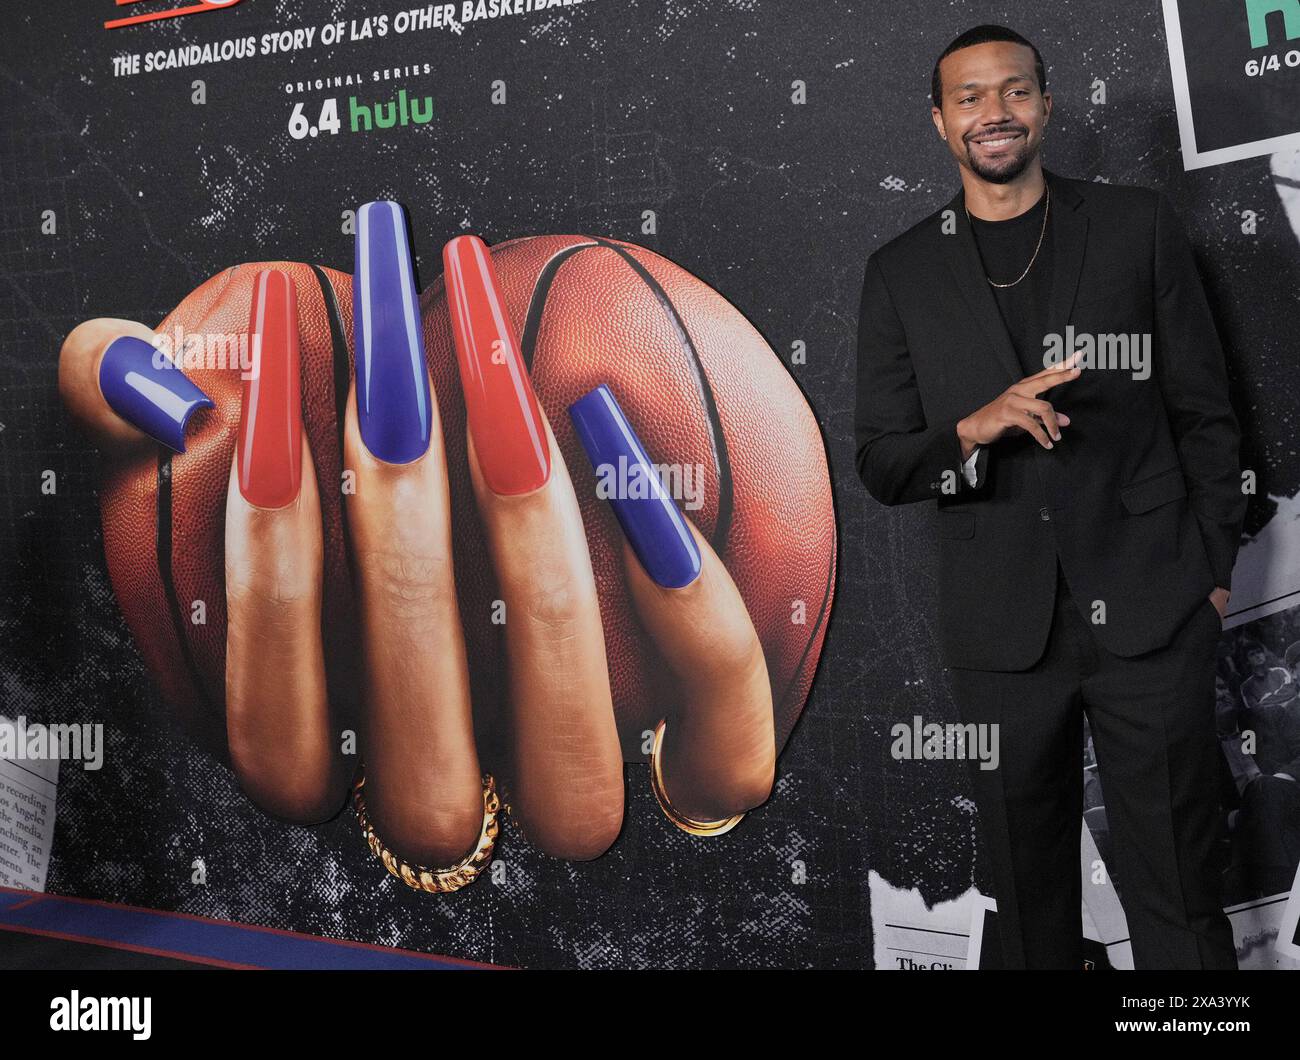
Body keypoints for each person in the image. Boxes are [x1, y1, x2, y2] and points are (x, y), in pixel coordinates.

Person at [854, 24, 1247, 968]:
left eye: (1014, 91)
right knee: (1028, 912)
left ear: (1046, 103)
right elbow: (881, 462)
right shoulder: (901, 271)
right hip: (1001, 634)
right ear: (940, 122)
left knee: (1181, 895)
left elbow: (1207, 411)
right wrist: (973, 430)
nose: (995, 113)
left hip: (1154, 610)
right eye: (970, 98)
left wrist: (1214, 574)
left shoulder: (1135, 225)